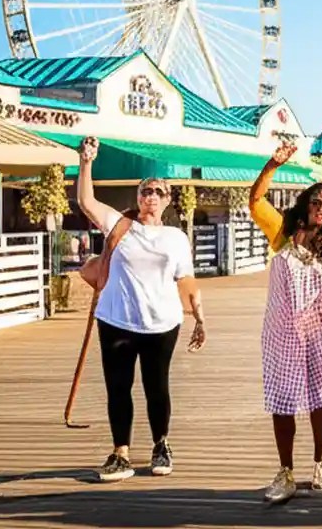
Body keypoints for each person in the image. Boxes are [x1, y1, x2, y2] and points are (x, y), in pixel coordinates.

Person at [74, 137, 207, 483]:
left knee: (156, 386)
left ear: (167, 200)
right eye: (145, 191)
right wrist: (86, 161)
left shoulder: (176, 238)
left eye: (158, 192)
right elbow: (86, 201)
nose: (150, 196)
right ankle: (120, 454)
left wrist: (200, 316)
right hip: (116, 320)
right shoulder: (119, 225)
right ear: (138, 197)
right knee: (118, 387)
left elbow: (187, 280)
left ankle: (161, 444)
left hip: (161, 324)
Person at [250, 141, 322, 504]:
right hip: (281, 333)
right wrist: (272, 165)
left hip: (321, 333)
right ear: (305, 203)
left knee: (321, 398)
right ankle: (285, 471)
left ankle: (321, 461)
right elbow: (256, 201)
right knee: (283, 401)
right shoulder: (282, 234)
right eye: (317, 202)